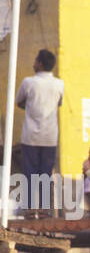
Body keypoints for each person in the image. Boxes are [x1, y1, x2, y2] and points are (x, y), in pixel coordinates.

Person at [15, 49, 64, 207]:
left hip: (30, 135)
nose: (33, 63)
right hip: (50, 136)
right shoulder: (59, 84)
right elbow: (59, 103)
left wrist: (31, 107)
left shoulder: (28, 82)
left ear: (40, 64)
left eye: (36, 60)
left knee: (30, 173)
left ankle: (30, 208)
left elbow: (20, 102)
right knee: (45, 174)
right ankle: (43, 209)